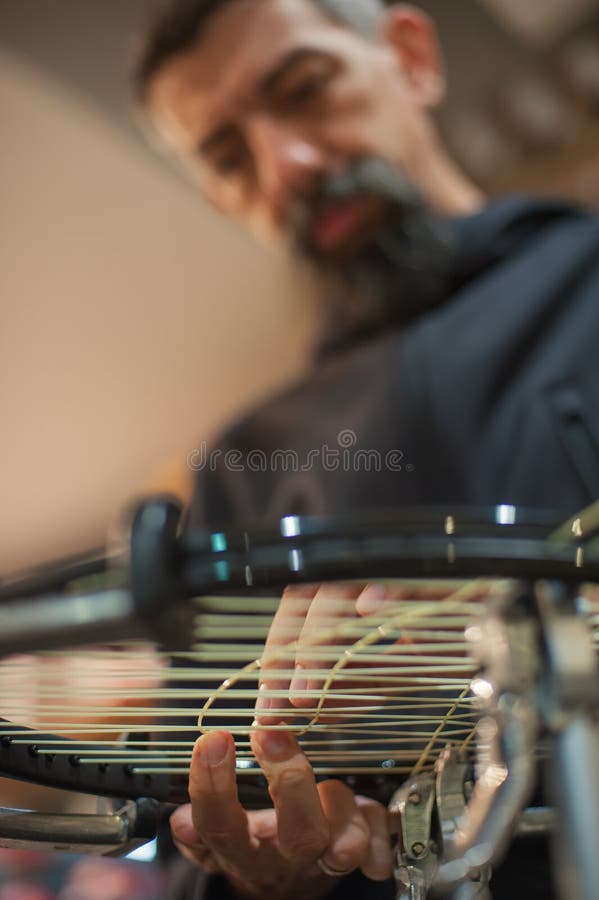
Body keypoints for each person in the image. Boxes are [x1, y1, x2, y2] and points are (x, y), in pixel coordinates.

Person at [132, 1, 599, 897]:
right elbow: (187, 833)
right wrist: (260, 872)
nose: (289, 164)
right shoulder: (240, 467)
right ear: (220, 197)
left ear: (412, 58)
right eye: (229, 156)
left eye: (305, 88)